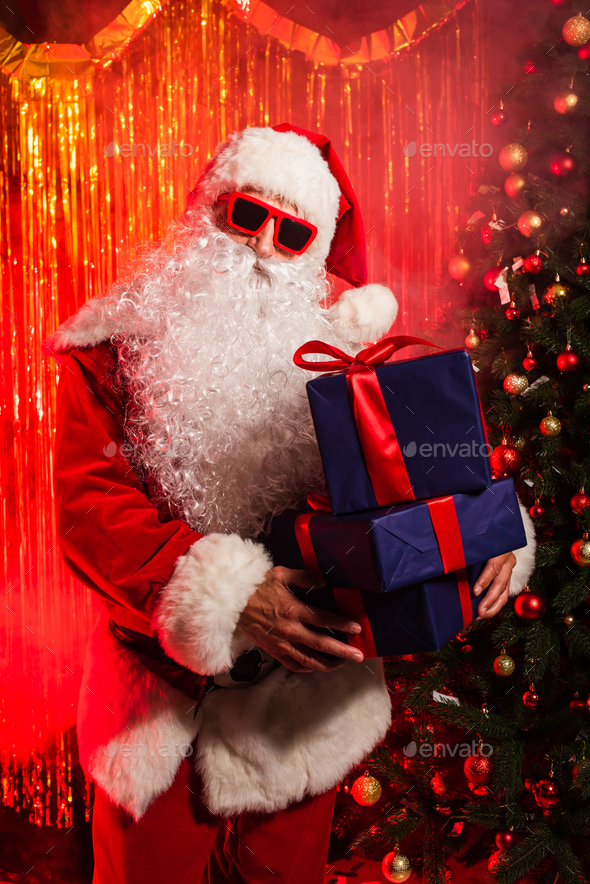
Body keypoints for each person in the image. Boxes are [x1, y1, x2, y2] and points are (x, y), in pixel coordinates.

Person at [43, 124, 536, 884]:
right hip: (160, 703)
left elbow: (429, 469)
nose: (264, 246)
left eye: (294, 231)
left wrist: (490, 530)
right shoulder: (115, 344)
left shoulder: (351, 348)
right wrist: (228, 596)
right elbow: (92, 507)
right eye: (246, 214)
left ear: (317, 249)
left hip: (308, 702)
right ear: (208, 208)